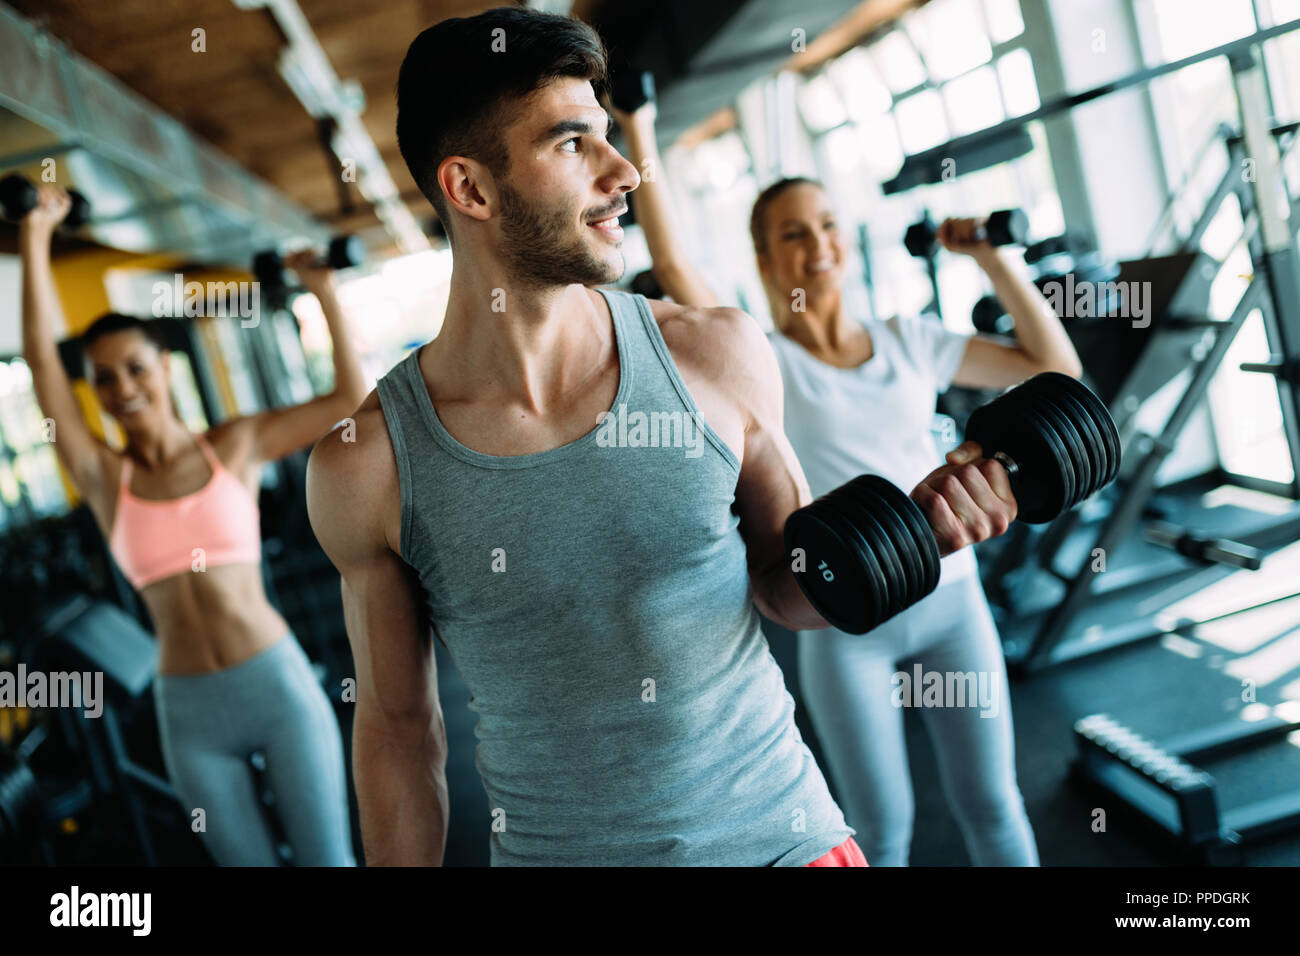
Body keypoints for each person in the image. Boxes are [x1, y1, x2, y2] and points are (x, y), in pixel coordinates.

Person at [306, 6, 1020, 867]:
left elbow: (786, 588)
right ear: (471, 189)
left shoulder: (712, 354)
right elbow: (395, 731)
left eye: (609, 136)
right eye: (572, 144)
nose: (623, 171)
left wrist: (920, 532)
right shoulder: (372, 460)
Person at [612, 100, 1082, 865]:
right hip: (845, 625)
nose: (817, 244)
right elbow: (675, 267)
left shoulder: (909, 339)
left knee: (993, 805)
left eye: (827, 224)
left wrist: (994, 259)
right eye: (792, 234)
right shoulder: (758, 359)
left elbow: (1055, 374)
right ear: (765, 261)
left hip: (953, 602)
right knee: (878, 829)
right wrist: (638, 132)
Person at [18, 186, 366, 866]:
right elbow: (39, 363)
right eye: (105, 379)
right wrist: (35, 232)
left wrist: (321, 292)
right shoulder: (103, 477)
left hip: (277, 688)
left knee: (329, 863)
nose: (124, 389)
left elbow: (349, 399)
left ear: (165, 368)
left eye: (136, 369)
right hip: (191, 715)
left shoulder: (231, 446)